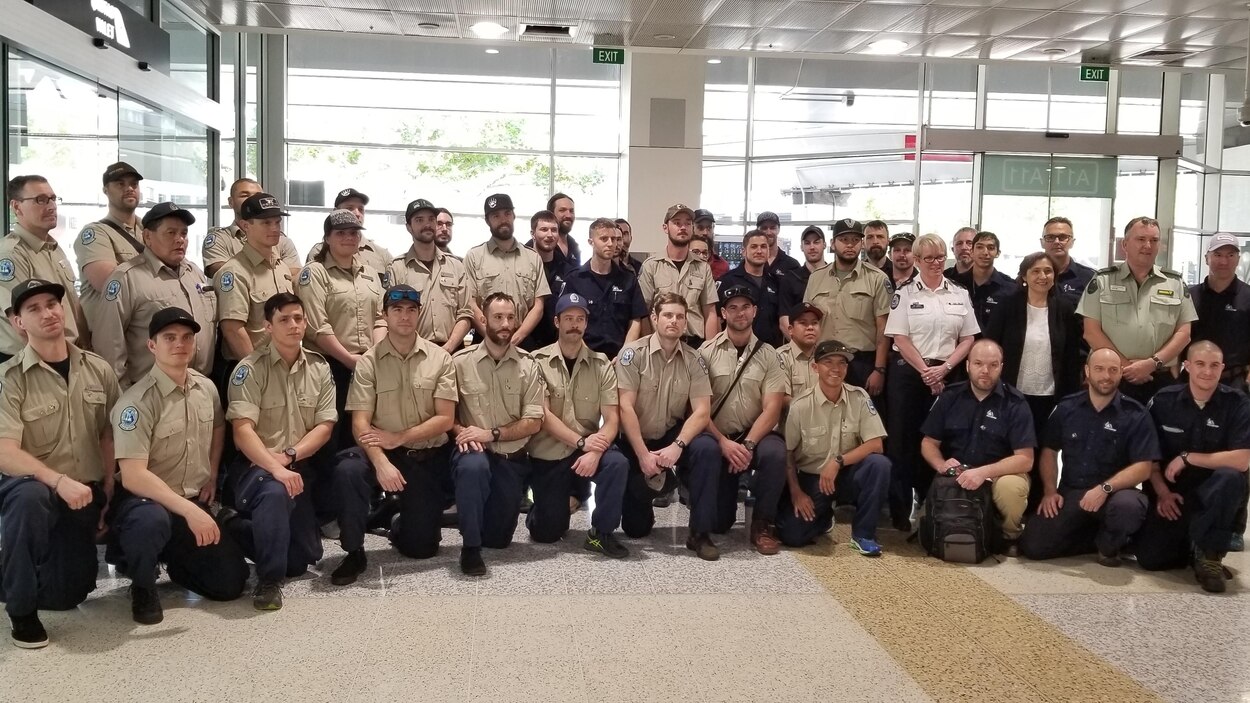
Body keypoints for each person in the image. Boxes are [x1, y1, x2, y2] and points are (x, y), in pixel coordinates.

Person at [107, 308, 248, 624]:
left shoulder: (206, 388)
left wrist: (212, 473)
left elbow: (217, 427)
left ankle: (173, 557)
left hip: (188, 501)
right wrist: (191, 512)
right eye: (169, 338)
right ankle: (142, 583)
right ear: (152, 345)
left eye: (187, 337)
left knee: (230, 584)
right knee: (150, 521)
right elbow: (133, 476)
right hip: (145, 502)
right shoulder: (136, 403)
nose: (179, 344)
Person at [0, 279, 119, 648]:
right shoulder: (9, 378)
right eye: (33, 308)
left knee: (69, 594)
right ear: (18, 322)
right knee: (29, 498)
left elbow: (108, 434)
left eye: (52, 303)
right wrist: (57, 481)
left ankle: (12, 569)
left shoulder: (98, 369)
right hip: (32, 487)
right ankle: (21, 610)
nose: (47, 313)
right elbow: (5, 450)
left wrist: (108, 488)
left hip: (82, 494)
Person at [327, 285, 457, 585]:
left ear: (419, 314)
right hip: (380, 450)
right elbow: (360, 424)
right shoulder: (369, 362)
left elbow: (445, 419)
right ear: (385, 315)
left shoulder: (439, 359)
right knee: (348, 470)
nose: (405, 316)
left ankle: (394, 518)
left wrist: (399, 437)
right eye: (397, 310)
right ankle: (354, 551)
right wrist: (381, 462)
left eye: (411, 310)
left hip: (422, 454)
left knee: (422, 549)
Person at [224, 293, 335, 610]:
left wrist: (288, 457)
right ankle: (268, 582)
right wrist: (275, 468)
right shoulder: (250, 369)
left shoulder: (319, 367)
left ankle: (232, 526)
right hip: (257, 468)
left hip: (295, 465)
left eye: (298, 318)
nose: (293, 325)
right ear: (268, 326)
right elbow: (242, 431)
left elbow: (325, 426)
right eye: (284, 319)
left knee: (302, 560)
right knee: (275, 492)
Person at [1018, 348, 1157, 566]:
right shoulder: (1066, 408)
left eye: (1113, 370)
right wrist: (1050, 491)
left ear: (1121, 372)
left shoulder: (1135, 414)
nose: (1106, 376)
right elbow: (1049, 451)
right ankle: (1096, 537)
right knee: (1033, 546)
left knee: (1129, 508)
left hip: (1115, 495)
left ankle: (1109, 546)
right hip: (1073, 494)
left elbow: (1143, 467)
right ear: (1087, 371)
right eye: (1099, 369)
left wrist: (1104, 488)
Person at [883, 233, 978, 532]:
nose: (936, 263)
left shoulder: (959, 292)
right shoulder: (905, 293)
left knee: (940, 440)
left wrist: (944, 369)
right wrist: (926, 371)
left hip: (949, 373)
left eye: (940, 257)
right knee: (902, 442)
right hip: (910, 373)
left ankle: (932, 502)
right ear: (916, 260)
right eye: (929, 258)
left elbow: (968, 338)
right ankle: (899, 509)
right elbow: (900, 337)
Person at [1137, 341, 1250, 592]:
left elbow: (1242, 459)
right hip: (1173, 496)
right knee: (1151, 560)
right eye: (1200, 364)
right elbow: (1148, 458)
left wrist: (1188, 457)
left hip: (1214, 496)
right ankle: (1191, 543)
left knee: (1231, 477)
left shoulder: (1237, 402)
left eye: (1214, 365)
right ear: (1187, 366)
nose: (1207, 372)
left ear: (1222, 368)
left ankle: (1210, 555)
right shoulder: (1163, 400)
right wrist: (1162, 493)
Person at [616, 293, 722, 559]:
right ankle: (648, 494)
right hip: (636, 440)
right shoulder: (632, 354)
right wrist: (642, 455)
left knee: (707, 448)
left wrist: (678, 446)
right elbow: (625, 407)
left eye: (679, 317)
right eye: (667, 315)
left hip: (671, 435)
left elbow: (702, 411)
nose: (674, 321)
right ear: (654, 318)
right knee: (636, 529)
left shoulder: (694, 359)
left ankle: (700, 533)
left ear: (685, 322)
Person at [450, 292, 545, 576]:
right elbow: (445, 415)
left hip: (509, 458)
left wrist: (490, 433)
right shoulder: (460, 362)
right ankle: (470, 549)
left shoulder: (528, 365)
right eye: (498, 317)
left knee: (499, 539)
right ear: (484, 320)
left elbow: (533, 422)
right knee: (473, 467)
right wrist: (462, 432)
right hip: (474, 452)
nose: (505, 324)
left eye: (510, 318)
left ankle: (463, 516)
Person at [528, 293, 629, 557]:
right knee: (547, 533)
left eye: (580, 319)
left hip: (587, 448)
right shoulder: (536, 362)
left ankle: (601, 534)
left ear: (586, 323)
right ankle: (545, 506)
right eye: (569, 318)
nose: (575, 324)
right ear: (556, 322)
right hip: (550, 451)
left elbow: (612, 419)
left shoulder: (601, 364)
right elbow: (543, 415)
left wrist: (595, 451)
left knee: (617, 463)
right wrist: (582, 443)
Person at [983, 251, 1082, 508]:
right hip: (1012, 394)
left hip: (1049, 396)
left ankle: (1038, 508)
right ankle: (1004, 509)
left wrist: (1070, 397)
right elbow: (991, 345)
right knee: (1010, 450)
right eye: (1035, 271)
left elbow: (1072, 356)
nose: (1042, 276)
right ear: (1024, 276)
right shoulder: (1008, 305)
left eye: (1048, 271)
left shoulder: (1064, 308)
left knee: (1043, 451)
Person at [919, 340, 1035, 554]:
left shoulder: (1015, 403)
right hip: (957, 473)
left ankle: (1008, 536)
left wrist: (983, 473)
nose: (985, 370)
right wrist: (941, 464)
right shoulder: (950, 397)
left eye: (993, 365)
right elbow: (929, 443)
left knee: (1011, 488)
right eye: (978, 363)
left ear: (1001, 367)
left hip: (998, 474)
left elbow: (1025, 459)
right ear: (967, 365)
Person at [776, 340, 891, 556]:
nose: (836, 368)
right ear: (815, 367)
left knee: (879, 464)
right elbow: (788, 454)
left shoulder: (859, 397)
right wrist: (796, 492)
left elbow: (876, 444)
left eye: (842, 363)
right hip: (814, 478)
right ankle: (824, 517)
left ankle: (863, 534)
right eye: (828, 362)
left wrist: (838, 461)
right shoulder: (800, 406)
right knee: (792, 535)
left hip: (847, 473)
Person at [699, 285, 788, 555]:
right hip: (718, 437)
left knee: (776, 452)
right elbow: (699, 409)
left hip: (754, 436)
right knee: (719, 523)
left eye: (746, 307)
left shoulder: (770, 354)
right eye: (733, 307)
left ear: (755, 311)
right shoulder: (705, 352)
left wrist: (748, 445)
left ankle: (762, 524)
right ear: (723, 313)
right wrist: (723, 443)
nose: (740, 313)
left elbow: (772, 408)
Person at [95, 202, 216, 388]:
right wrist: (124, 395)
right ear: (147, 237)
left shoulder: (195, 273)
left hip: (198, 388)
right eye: (171, 233)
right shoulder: (126, 278)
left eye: (184, 233)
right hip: (151, 393)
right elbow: (109, 345)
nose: (180, 240)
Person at [1077, 216, 1196, 405]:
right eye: (1141, 239)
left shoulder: (1175, 283)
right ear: (1125, 244)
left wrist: (1151, 364)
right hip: (1112, 378)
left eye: (1154, 240)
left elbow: (1184, 333)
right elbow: (1091, 332)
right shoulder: (1102, 281)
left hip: (1160, 377)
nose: (1147, 245)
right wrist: (1126, 367)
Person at [297, 209, 386, 451]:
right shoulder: (314, 272)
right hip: (329, 365)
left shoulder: (369, 273)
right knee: (330, 435)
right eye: (341, 233)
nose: (349, 237)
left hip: (367, 364)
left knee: (363, 434)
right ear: (327, 238)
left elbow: (380, 318)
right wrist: (349, 360)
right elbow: (317, 326)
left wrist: (373, 356)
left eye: (354, 232)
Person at [1, 176, 88, 361]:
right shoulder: (10, 255)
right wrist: (62, 361)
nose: (51, 206)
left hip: (67, 355)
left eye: (53, 199)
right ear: (16, 207)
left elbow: (73, 307)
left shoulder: (53, 248)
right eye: (41, 200)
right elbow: (22, 324)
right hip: (32, 363)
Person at [799, 218, 890, 394]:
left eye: (855, 240)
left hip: (862, 363)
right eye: (844, 240)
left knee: (863, 411)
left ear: (861, 244)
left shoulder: (877, 278)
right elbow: (808, 321)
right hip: (824, 360)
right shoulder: (816, 278)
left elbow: (883, 328)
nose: (850, 245)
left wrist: (879, 369)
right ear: (833, 244)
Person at [214, 193, 296, 363]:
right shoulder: (235, 272)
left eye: (277, 222)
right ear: (246, 225)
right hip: (251, 365)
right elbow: (232, 330)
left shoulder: (281, 266)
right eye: (266, 223)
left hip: (282, 363)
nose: (275, 228)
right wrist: (257, 370)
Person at [463, 194, 551, 349]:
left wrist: (517, 337)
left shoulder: (532, 257)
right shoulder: (474, 257)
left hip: (522, 341)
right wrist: (491, 337)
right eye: (496, 216)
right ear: (487, 221)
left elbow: (538, 306)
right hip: (484, 340)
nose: (503, 220)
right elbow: (470, 303)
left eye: (507, 214)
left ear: (514, 216)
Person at [387, 198, 473, 353]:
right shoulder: (397, 268)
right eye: (419, 220)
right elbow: (390, 315)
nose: (427, 224)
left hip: (452, 351)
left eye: (431, 219)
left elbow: (465, 313)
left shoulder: (456, 266)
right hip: (411, 352)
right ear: (409, 227)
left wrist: (449, 347)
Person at [560, 218, 646, 360]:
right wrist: (587, 354)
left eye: (614, 239)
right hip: (583, 357)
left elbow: (635, 320)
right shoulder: (574, 279)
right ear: (591, 242)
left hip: (620, 358)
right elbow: (566, 321)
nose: (610, 244)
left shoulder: (628, 279)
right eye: (604, 239)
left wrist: (624, 353)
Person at [75, 162, 145, 328]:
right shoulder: (95, 233)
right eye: (120, 184)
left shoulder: (150, 230)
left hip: (142, 329)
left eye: (134, 184)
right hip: (109, 332)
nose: (129, 189)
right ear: (105, 190)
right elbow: (110, 285)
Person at [638, 204, 719, 347]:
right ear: (665, 228)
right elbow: (643, 311)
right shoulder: (651, 266)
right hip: (660, 344)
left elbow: (710, 312)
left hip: (694, 345)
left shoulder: (703, 267)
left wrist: (710, 349)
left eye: (687, 223)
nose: (683, 227)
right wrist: (648, 346)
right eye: (677, 223)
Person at [203, 178, 300, 279]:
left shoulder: (280, 239)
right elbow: (225, 274)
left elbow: (294, 275)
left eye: (258, 196)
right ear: (231, 202)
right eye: (244, 195)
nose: (252, 200)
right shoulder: (219, 239)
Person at [1189, 233, 1250, 392]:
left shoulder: (1248, 296)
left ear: (1238, 259)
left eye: (1230, 255)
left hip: (1236, 382)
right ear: (1206, 258)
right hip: (1193, 381)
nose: (1224, 261)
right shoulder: (1189, 296)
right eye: (1217, 255)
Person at [717, 230, 783, 347]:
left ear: (768, 251)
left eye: (763, 247)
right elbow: (717, 318)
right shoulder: (727, 281)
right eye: (754, 247)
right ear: (743, 251)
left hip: (771, 351)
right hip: (736, 351)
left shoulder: (776, 282)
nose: (759, 251)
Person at [305, 188, 394, 273]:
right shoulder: (318, 252)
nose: (357, 214)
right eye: (349, 208)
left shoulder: (382, 255)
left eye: (361, 209)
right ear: (335, 212)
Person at [524, 210, 575, 351]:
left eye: (554, 230)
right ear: (533, 234)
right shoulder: (520, 266)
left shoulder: (569, 271)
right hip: (523, 343)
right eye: (544, 229)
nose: (550, 235)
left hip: (556, 346)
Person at [948, 231, 1019, 329]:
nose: (985, 252)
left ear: (998, 253)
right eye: (979, 247)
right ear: (972, 252)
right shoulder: (955, 284)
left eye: (991, 248)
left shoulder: (1010, 288)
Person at [1041, 217, 1095, 307]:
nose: (1056, 241)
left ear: (1072, 242)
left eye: (1063, 237)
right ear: (1042, 242)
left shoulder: (1089, 278)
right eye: (1050, 237)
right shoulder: (1030, 276)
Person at [779, 225, 827, 320]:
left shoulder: (834, 276)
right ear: (801, 247)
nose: (812, 247)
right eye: (807, 243)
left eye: (816, 242)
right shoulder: (790, 279)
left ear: (824, 245)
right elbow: (784, 318)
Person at [780, 302, 822, 402]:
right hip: (793, 412)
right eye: (803, 323)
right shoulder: (780, 357)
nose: (810, 327)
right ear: (791, 330)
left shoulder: (825, 357)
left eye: (814, 323)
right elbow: (782, 399)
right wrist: (811, 408)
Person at [756, 211, 801, 277]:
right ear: (757, 230)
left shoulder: (792, 265)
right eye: (764, 228)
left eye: (772, 228)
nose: (768, 232)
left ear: (778, 229)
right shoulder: (750, 264)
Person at [693, 209, 729, 279]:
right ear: (692, 229)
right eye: (700, 228)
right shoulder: (682, 261)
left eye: (709, 228)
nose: (705, 233)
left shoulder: (722, 266)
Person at [547, 192, 581, 264]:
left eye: (571, 211)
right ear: (551, 214)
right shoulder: (538, 245)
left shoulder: (574, 245)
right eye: (562, 210)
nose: (568, 215)